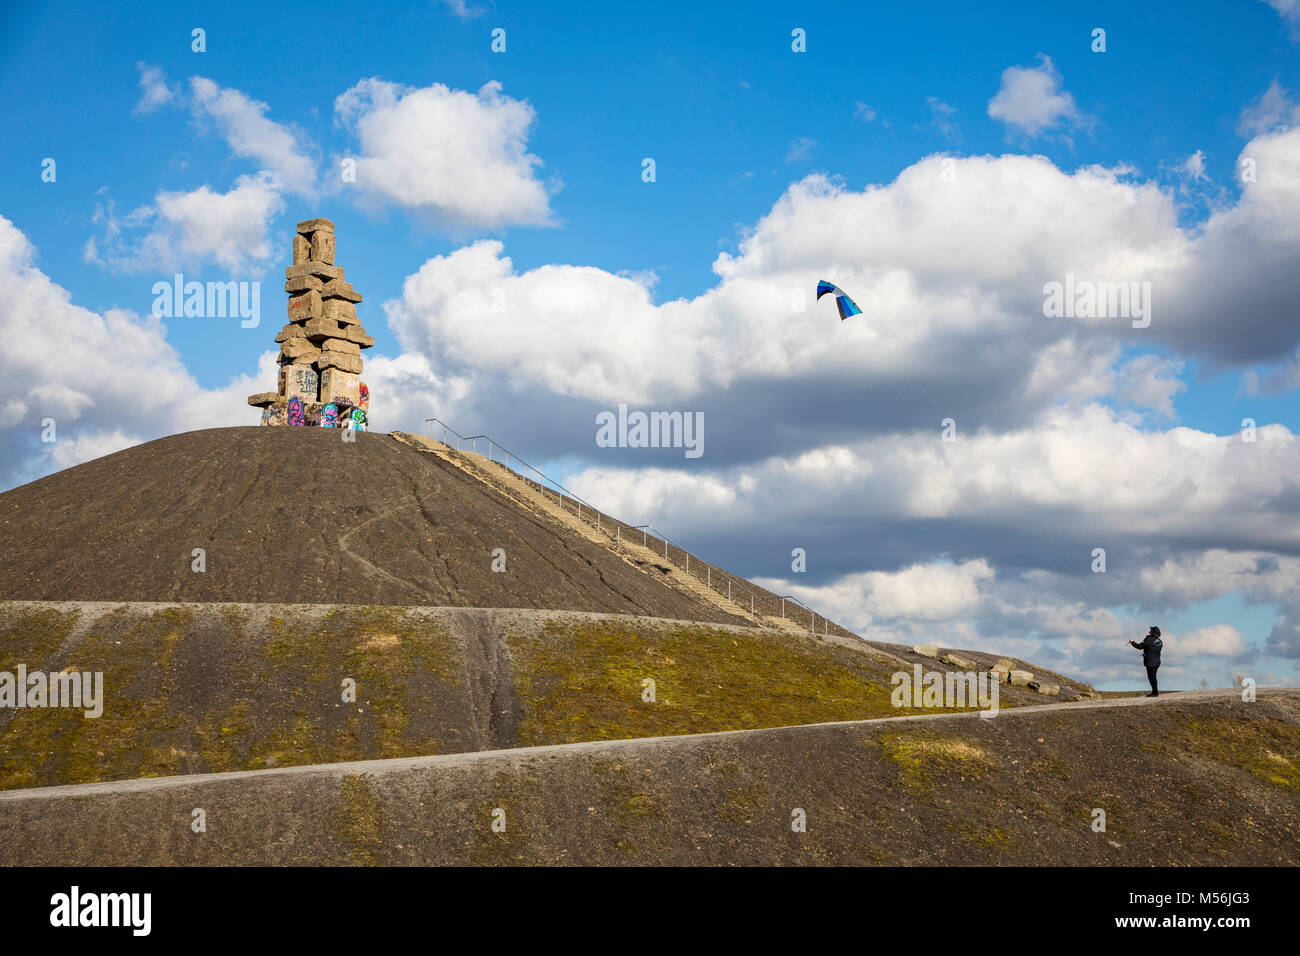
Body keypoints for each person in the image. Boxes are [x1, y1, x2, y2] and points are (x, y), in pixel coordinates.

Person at [1129, 626, 1163, 697]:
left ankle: (1155, 693)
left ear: (1153, 632)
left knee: (1151, 677)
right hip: (1157, 662)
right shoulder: (1160, 641)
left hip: (1150, 662)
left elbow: (1139, 646)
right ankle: (1154, 692)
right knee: (1153, 677)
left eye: (1150, 630)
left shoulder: (1148, 639)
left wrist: (1132, 642)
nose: (1149, 631)